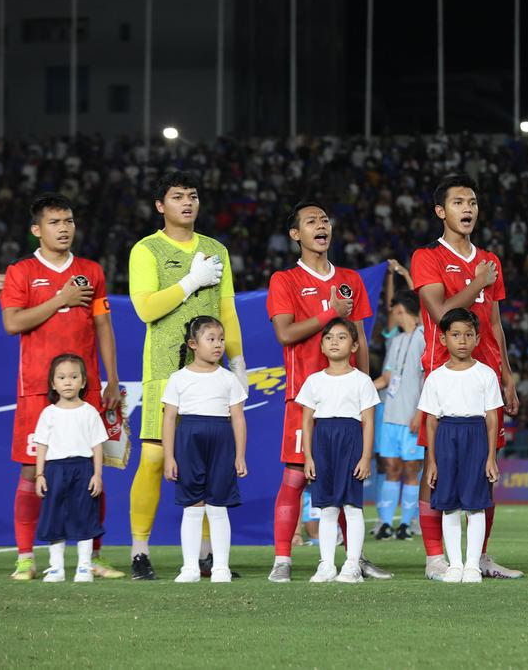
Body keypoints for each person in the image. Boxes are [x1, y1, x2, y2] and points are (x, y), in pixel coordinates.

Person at [128, 171, 244, 580]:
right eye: (178, 197)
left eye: (193, 196)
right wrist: (190, 281)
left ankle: (209, 555)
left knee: (210, 462)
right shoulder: (147, 250)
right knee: (156, 458)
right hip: (164, 369)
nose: (188, 203)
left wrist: (239, 362)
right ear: (161, 205)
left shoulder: (216, 249)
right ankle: (140, 550)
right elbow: (145, 309)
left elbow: (226, 310)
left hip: (211, 374)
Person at [1, 194, 123, 581]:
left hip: (87, 388)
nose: (64, 228)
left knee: (92, 467)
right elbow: (13, 323)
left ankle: (95, 555)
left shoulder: (92, 271)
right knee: (29, 472)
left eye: (68, 220)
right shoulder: (21, 272)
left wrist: (112, 379)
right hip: (37, 388)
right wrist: (61, 299)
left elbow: (103, 324)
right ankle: (25, 558)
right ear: (37, 229)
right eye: (55, 222)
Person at [266, 201, 388, 583]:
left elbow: (361, 339)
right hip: (306, 397)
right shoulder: (284, 280)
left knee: (350, 478)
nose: (321, 225)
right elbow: (285, 333)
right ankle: (282, 560)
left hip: (348, 401)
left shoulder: (349, 277)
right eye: (310, 221)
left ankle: (355, 558)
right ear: (295, 234)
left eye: (324, 220)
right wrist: (330, 313)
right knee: (296, 476)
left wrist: (363, 384)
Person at [410, 174, 521, 581]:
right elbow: (442, 315)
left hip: (485, 374)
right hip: (443, 371)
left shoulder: (489, 259)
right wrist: (477, 282)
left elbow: (493, 320)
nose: (468, 209)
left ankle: (480, 555)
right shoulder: (427, 257)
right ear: (441, 211)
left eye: (472, 201)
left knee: (484, 465)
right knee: (433, 464)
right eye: (458, 202)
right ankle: (435, 557)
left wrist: (507, 374)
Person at [418, 308, 503, 584]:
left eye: (468, 335)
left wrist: (491, 456)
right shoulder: (436, 378)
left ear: (478, 339)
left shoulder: (486, 374)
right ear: (443, 339)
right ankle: (454, 565)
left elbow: (492, 417)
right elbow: (431, 421)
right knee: (449, 505)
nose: (462, 341)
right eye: (456, 335)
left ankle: (472, 566)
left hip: (475, 435)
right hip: (446, 436)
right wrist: (431, 460)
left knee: (475, 505)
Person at [161, 316, 247, 583]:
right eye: (211, 339)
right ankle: (189, 568)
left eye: (221, 339)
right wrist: (169, 457)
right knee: (192, 505)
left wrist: (240, 455)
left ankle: (221, 567)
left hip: (222, 442)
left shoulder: (229, 379)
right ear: (193, 344)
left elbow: (238, 418)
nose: (218, 345)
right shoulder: (178, 379)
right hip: (188, 442)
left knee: (218, 504)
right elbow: (169, 419)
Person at [298, 318, 380, 583]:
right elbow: (307, 421)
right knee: (327, 507)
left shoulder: (362, 381)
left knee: (353, 506)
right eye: (329, 337)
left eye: (342, 337)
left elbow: (368, 421)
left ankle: (352, 564)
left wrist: (366, 457)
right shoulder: (313, 381)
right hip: (323, 443)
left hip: (351, 441)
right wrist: (308, 456)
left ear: (354, 345)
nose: (335, 341)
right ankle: (326, 564)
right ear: (322, 346)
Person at [33, 354, 107, 583]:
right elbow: (42, 446)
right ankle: (56, 567)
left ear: (83, 381)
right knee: (55, 517)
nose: (68, 382)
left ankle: (84, 567)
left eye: (74, 377)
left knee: (84, 517)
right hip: (55, 470)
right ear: (53, 383)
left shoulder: (89, 412)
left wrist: (97, 475)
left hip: (83, 469)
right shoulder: (48, 414)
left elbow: (97, 446)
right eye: (62, 377)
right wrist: (39, 475)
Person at [373, 292, 426, 541]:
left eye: (394, 311)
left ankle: (405, 524)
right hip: (390, 416)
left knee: (410, 471)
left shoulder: (423, 337)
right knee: (391, 468)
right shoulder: (396, 341)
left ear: (401, 311)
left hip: (411, 417)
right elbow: (386, 379)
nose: (392, 316)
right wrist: (357, 389)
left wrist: (420, 413)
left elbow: (428, 379)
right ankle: (385, 524)